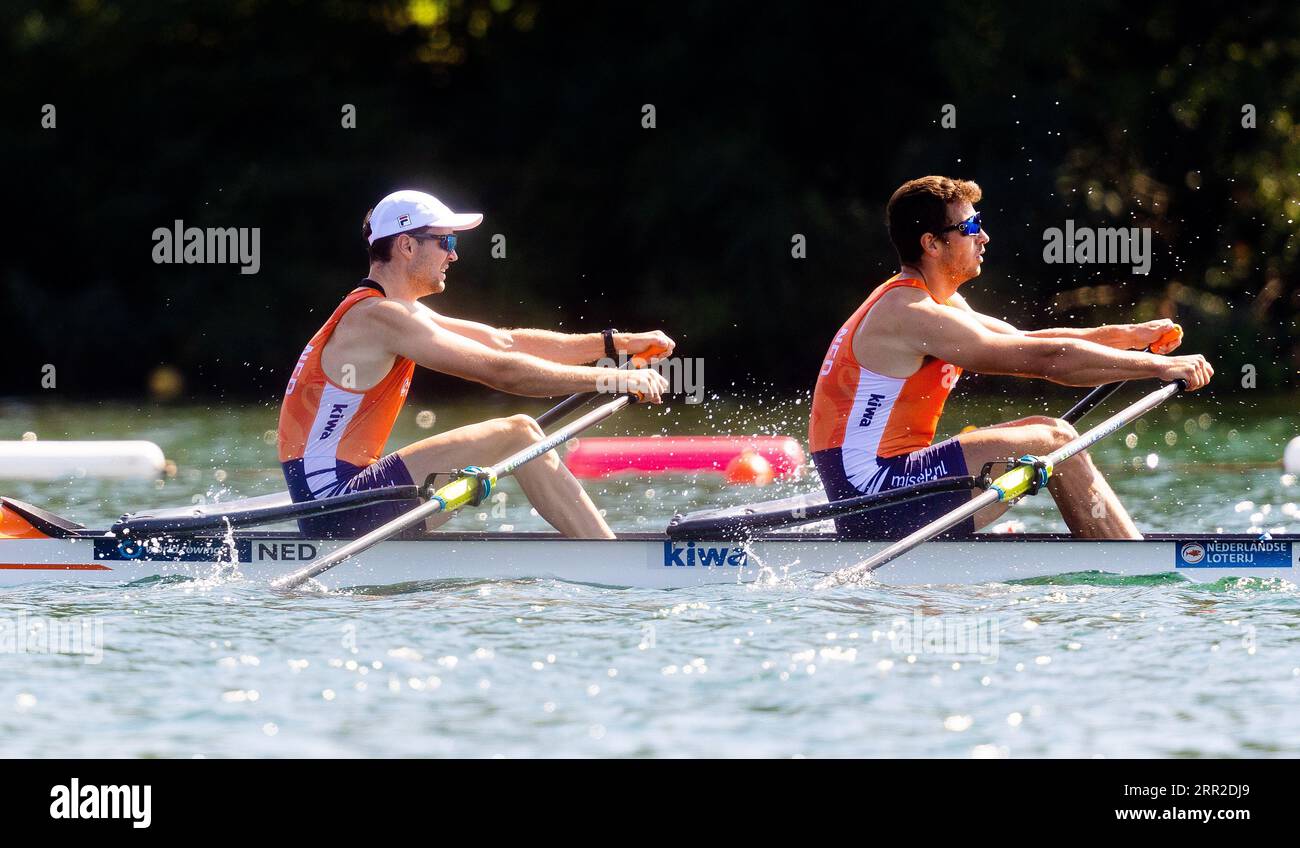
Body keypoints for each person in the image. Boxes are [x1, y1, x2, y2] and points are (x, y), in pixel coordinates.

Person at [809, 175, 1213, 540]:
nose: (983, 236)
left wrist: (1127, 336)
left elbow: (1026, 339)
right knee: (1054, 440)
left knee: (1048, 430)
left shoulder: (935, 301)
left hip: (884, 485)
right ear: (931, 243)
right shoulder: (910, 313)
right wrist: (1160, 367)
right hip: (871, 494)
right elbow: (1046, 360)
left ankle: (1116, 547)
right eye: (968, 228)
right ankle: (1132, 569)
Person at [279, 189, 672, 539]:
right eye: (445, 241)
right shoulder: (381, 317)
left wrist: (618, 342)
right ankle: (610, 560)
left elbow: (506, 342)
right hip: (335, 506)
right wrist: (611, 380)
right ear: (406, 246)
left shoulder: (394, 311)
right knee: (519, 433)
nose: (453, 254)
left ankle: (601, 550)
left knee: (520, 435)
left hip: (342, 499)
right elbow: (502, 371)